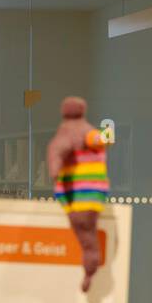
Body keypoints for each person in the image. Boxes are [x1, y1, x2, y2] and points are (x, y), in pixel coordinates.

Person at [47, 97, 111, 292]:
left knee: (85, 235)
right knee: (88, 236)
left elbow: (57, 150)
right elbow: (99, 140)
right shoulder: (88, 130)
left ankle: (89, 269)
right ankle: (90, 270)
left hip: (77, 195)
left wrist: (54, 170)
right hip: (96, 194)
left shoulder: (67, 131)